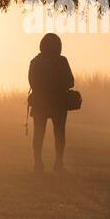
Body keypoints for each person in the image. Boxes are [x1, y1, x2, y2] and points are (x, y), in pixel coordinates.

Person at [28, 33, 75, 173]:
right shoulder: (62, 61)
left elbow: (32, 81)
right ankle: (58, 164)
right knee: (59, 134)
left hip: (40, 103)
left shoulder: (35, 61)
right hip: (59, 104)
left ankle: (38, 164)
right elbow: (70, 81)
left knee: (38, 133)